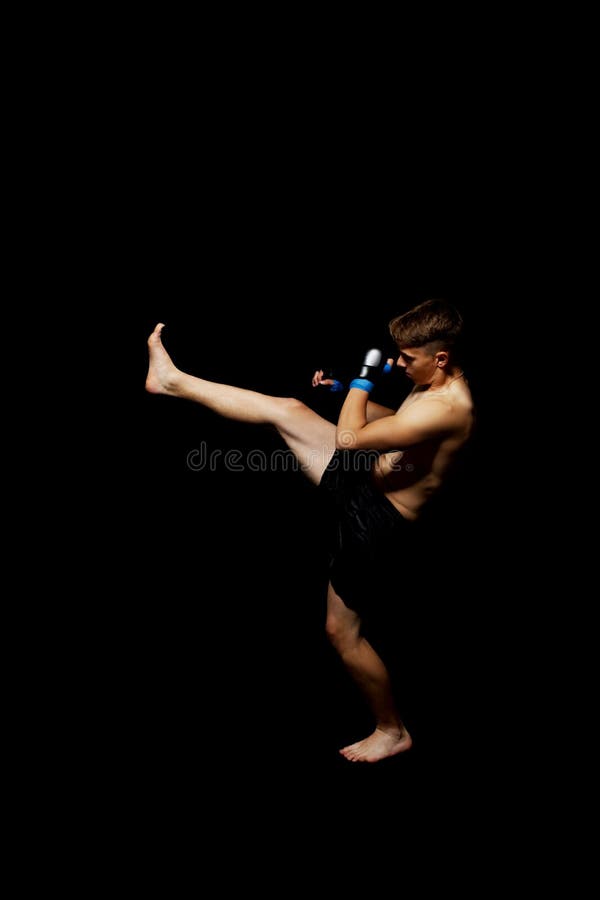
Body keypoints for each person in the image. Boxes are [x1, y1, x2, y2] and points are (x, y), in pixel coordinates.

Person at [145, 299, 475, 763]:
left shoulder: (451, 407)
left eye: (407, 357)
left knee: (341, 633)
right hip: (365, 481)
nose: (399, 363)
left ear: (439, 357)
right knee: (289, 409)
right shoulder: (432, 382)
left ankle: (391, 729)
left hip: (377, 520)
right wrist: (346, 390)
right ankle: (171, 381)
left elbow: (348, 438)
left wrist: (362, 379)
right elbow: (395, 422)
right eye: (397, 355)